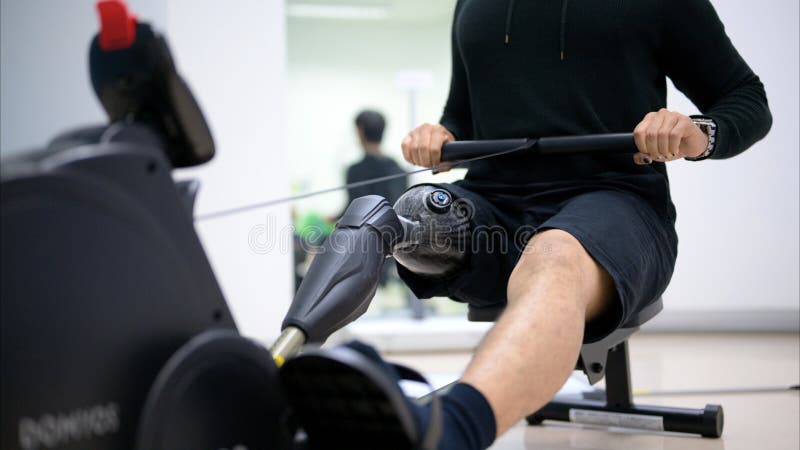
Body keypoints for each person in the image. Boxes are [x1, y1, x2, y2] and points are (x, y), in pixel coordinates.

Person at [287, 1, 772, 449]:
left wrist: (697, 134)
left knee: (554, 253)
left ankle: (454, 429)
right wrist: (440, 135)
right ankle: (283, 368)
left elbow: (747, 99)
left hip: (616, 202)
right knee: (396, 215)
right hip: (494, 207)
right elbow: (461, 117)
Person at [345, 110, 408, 207]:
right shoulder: (399, 170)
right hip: (395, 222)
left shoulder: (355, 171)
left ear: (360, 131)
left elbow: (353, 210)